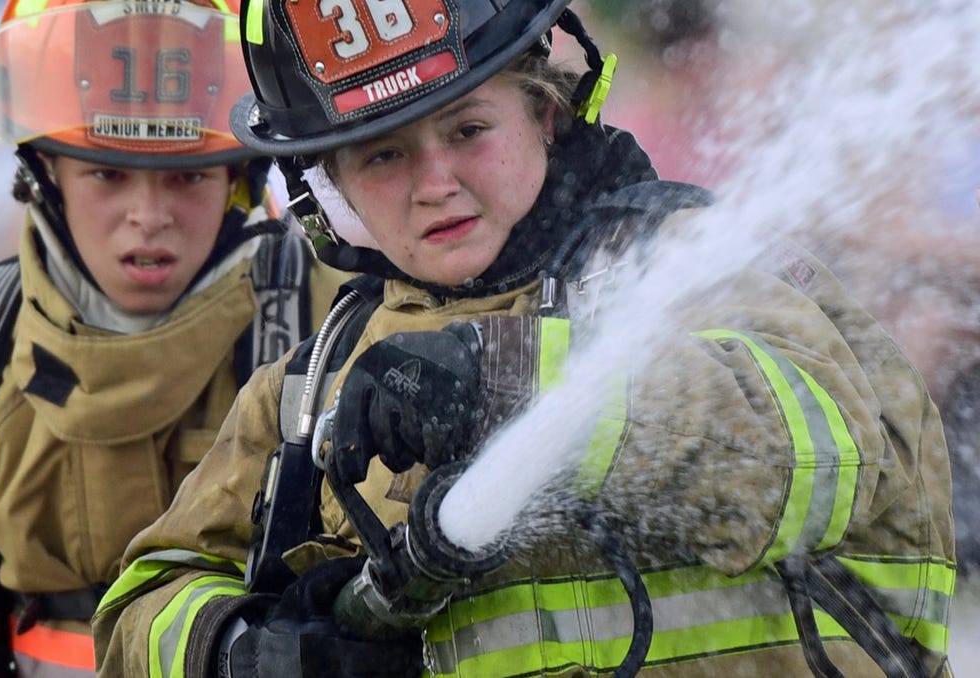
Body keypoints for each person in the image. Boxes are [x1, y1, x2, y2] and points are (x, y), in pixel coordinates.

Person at [93, 1, 956, 676]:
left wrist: (506, 379)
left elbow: (825, 468)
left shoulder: (697, 274)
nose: (437, 184)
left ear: (545, 112)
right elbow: (143, 604)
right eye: (384, 157)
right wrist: (237, 649)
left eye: (470, 130)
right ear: (335, 186)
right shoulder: (305, 390)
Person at [0, 1, 350, 675]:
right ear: (47, 169)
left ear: (237, 179)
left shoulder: (334, 334)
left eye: (186, 175)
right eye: (107, 173)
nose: (148, 217)